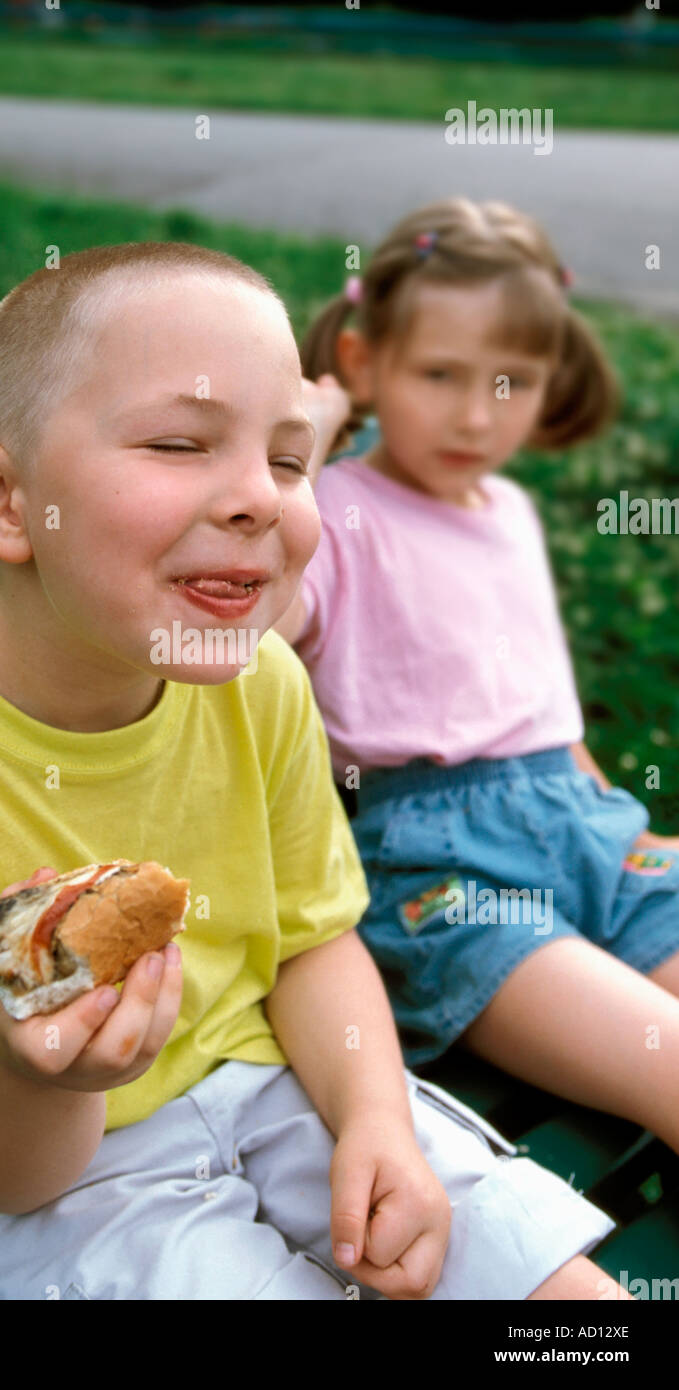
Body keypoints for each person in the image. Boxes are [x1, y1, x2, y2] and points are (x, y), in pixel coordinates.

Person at [0, 241, 627, 1302]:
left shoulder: (257, 681)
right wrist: (46, 1078)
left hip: (276, 1085)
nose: (262, 500)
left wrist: (376, 1121)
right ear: (2, 498)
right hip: (49, 1197)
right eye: (181, 442)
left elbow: (313, 941)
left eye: (287, 458)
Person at [275, 198, 679, 1166]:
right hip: (442, 880)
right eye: (438, 375)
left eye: (510, 383)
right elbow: (240, 629)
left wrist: (618, 822)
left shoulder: (508, 509)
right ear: (366, 364)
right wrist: (298, 457)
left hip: (585, 833)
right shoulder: (330, 513)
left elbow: (542, 703)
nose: (473, 413)